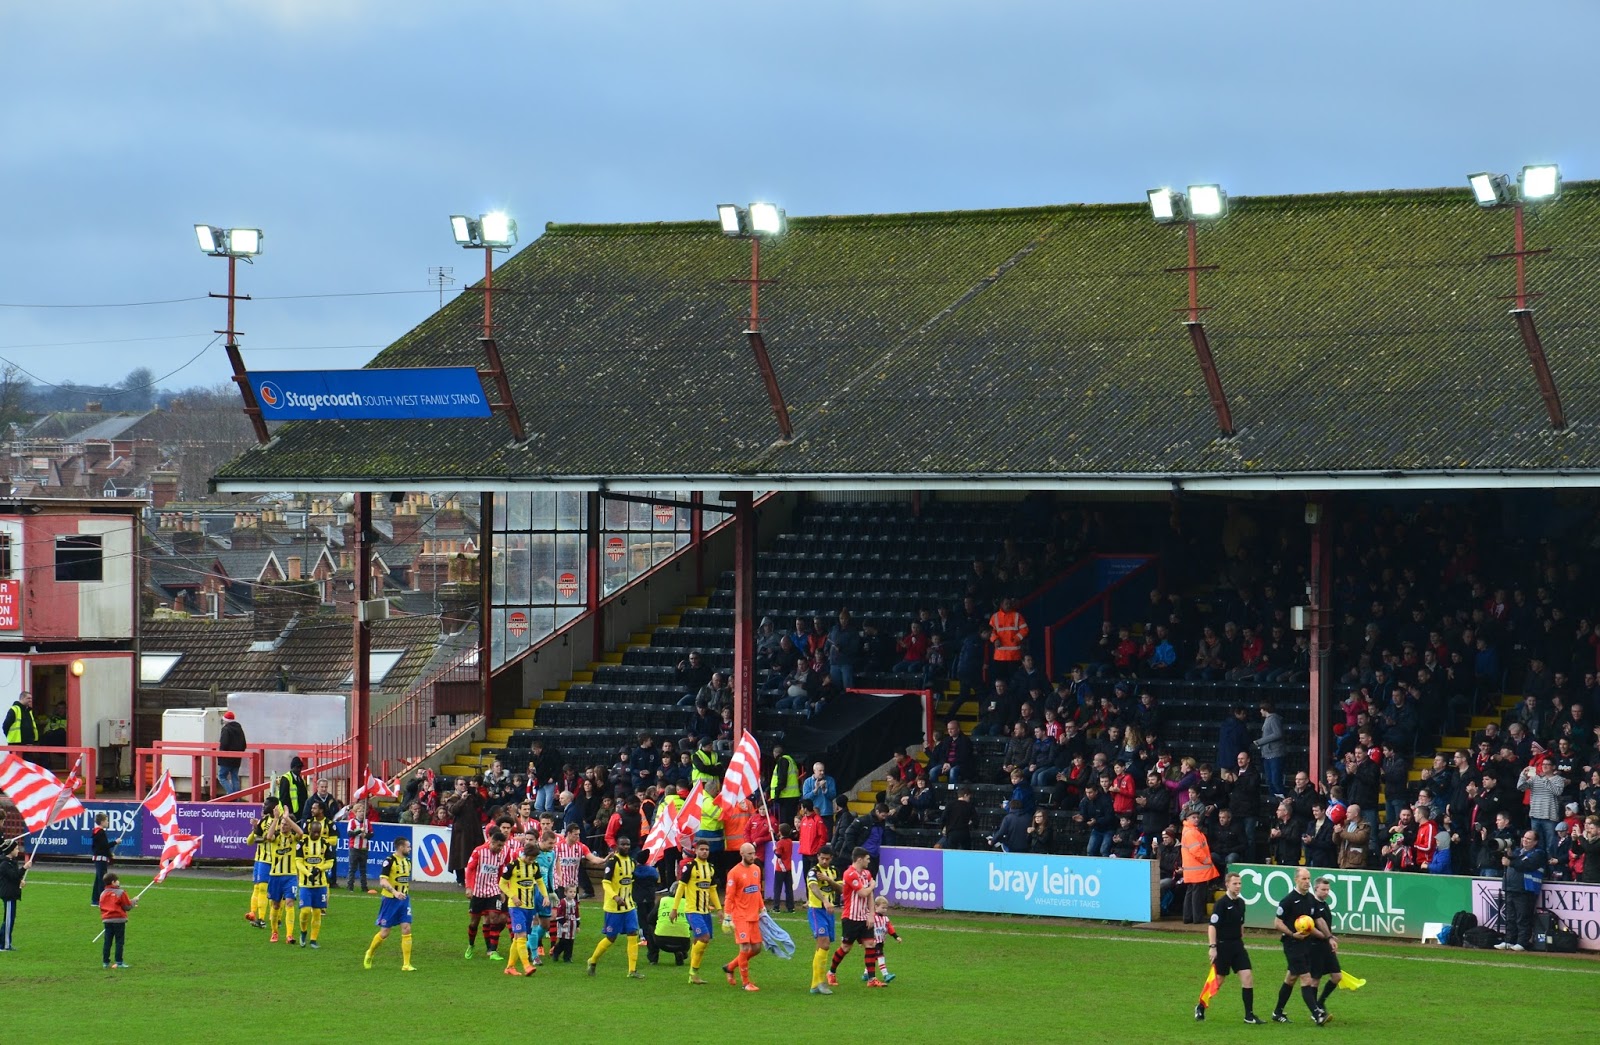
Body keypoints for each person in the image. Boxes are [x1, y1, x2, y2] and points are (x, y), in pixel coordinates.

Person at [1196, 871, 1262, 1023]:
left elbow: (1240, 924)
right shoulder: (1221, 904)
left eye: (1239, 883)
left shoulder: (1241, 903)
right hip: (1223, 946)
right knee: (1217, 981)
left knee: (1247, 977)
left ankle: (1249, 1015)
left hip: (1237, 946)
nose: (1238, 886)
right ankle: (1200, 1006)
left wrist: (1241, 940)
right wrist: (1213, 947)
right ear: (1227, 884)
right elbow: (1212, 926)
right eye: (1235, 883)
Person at [1270, 867, 1329, 1025]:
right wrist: (1291, 933)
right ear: (1296, 879)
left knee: (1291, 979)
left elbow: (1318, 919)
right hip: (1292, 944)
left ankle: (1277, 1012)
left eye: (1309, 879)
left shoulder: (1310, 899)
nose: (1307, 882)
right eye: (1304, 879)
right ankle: (1317, 1014)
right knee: (1306, 978)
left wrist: (1328, 936)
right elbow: (1277, 923)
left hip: (1306, 945)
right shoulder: (1288, 900)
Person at [587, 835, 643, 978]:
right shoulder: (613, 862)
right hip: (613, 907)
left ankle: (632, 970)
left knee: (633, 934)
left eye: (628, 844)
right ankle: (592, 960)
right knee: (611, 938)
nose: (626, 847)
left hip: (629, 906)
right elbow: (605, 882)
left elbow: (630, 881)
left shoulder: (631, 862)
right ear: (617, 846)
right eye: (623, 844)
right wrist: (615, 897)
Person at [671, 838, 723, 984]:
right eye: (702, 849)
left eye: (706, 849)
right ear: (696, 851)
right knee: (704, 938)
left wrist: (719, 909)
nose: (704, 852)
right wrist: (674, 909)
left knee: (701, 942)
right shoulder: (690, 867)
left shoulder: (711, 868)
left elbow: (712, 890)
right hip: (692, 910)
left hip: (705, 911)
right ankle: (693, 972)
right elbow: (681, 887)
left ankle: (692, 975)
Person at [364, 836, 417, 971]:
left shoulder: (408, 862)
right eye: (408, 846)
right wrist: (394, 892)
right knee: (385, 932)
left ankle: (406, 964)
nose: (409, 848)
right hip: (390, 900)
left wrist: (401, 893)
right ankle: (370, 952)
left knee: (406, 928)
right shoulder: (389, 861)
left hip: (404, 900)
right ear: (401, 847)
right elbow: (382, 881)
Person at [720, 841, 766, 991]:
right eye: (750, 854)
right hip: (739, 915)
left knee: (757, 948)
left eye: (753, 853)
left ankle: (730, 966)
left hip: (753, 915)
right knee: (745, 947)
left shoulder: (756, 869)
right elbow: (729, 896)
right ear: (742, 854)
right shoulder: (734, 872)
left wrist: (762, 907)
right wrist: (727, 916)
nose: (753, 856)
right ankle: (746, 983)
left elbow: (757, 890)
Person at [499, 842, 550, 976]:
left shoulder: (534, 866)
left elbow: (540, 882)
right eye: (530, 858)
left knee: (518, 938)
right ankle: (527, 965)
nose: (531, 861)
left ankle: (510, 967)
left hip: (529, 906)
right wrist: (513, 896)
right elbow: (502, 883)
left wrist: (545, 896)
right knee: (521, 935)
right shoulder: (512, 866)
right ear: (524, 854)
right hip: (516, 907)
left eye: (533, 859)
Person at [827, 847, 875, 985]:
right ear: (859, 859)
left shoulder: (866, 873)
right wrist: (872, 885)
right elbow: (863, 893)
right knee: (846, 947)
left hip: (864, 917)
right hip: (851, 917)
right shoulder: (849, 874)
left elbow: (870, 895)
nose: (869, 861)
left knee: (870, 944)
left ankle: (872, 979)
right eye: (867, 859)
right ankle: (831, 972)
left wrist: (871, 914)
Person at [1496, 829, 1545, 951]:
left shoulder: (1539, 853)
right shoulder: (1517, 852)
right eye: (1524, 837)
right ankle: (1509, 940)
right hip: (1511, 887)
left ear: (1535, 842)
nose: (1525, 840)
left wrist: (1510, 862)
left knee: (1523, 917)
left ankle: (1522, 942)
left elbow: (1527, 865)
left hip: (1526, 889)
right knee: (1510, 917)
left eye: (1529, 839)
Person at [464, 830, 509, 961]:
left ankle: (492, 950)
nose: (500, 848)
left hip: (493, 890)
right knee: (474, 922)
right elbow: (470, 869)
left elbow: (500, 872)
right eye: (498, 846)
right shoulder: (479, 851)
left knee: (494, 917)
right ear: (492, 842)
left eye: (502, 846)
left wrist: (501, 890)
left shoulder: (501, 854)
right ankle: (471, 945)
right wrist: (469, 887)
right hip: (478, 891)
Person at [293, 820, 334, 948]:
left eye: (318, 832)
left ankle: (313, 939)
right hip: (305, 884)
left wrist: (319, 869)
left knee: (317, 912)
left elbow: (330, 862)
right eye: (314, 832)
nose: (316, 834)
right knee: (305, 911)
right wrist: (308, 874)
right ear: (309, 831)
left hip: (320, 884)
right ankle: (303, 931)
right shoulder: (302, 843)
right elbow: (299, 862)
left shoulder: (325, 844)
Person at [265, 807, 303, 944]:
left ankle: (289, 935)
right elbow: (268, 837)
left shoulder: (293, 839)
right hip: (275, 876)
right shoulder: (276, 837)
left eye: (285, 824)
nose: (283, 826)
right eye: (282, 823)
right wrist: (276, 818)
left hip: (290, 876)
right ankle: (274, 932)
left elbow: (301, 832)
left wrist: (287, 818)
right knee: (275, 905)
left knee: (289, 902)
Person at [1308, 876, 1344, 1015]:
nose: (1326, 892)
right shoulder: (1311, 904)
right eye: (1323, 889)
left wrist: (1330, 936)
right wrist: (1325, 936)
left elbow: (1325, 925)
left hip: (1326, 945)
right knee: (1315, 979)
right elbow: (1310, 927)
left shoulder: (1324, 904)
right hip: (1315, 946)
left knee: (1337, 976)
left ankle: (1320, 1002)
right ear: (1315, 889)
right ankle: (1315, 1010)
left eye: (1328, 889)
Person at [806, 848, 840, 995]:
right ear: (818, 857)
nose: (824, 861)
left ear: (831, 858)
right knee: (824, 944)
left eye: (827, 858)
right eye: (822, 858)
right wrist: (825, 900)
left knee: (822, 947)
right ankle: (820, 983)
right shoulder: (813, 871)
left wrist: (828, 880)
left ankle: (815, 984)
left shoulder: (833, 871)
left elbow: (841, 889)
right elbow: (813, 887)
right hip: (816, 911)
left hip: (829, 913)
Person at [243, 798, 280, 929]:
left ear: (274, 806)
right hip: (262, 860)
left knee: (275, 891)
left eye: (266, 804)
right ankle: (258, 916)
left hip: (277, 861)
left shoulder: (281, 821)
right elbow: (251, 841)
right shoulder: (263, 821)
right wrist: (255, 829)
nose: (263, 806)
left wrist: (264, 837)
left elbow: (275, 838)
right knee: (260, 888)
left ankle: (275, 917)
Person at [1181, 806, 1220, 924]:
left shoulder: (1188, 831)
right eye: (1194, 817)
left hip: (1191, 869)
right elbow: (1196, 851)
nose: (1197, 819)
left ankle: (1188, 917)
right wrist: (1207, 860)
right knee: (1197, 895)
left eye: (1197, 817)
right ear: (1187, 819)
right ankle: (1197, 918)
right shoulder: (1192, 832)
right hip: (1198, 869)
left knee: (1191, 893)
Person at [97, 871, 135, 968]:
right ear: (113, 882)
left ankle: (105, 962)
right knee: (119, 941)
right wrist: (134, 901)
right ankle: (119, 961)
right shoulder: (121, 892)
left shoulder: (103, 894)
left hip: (107, 920)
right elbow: (127, 907)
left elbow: (101, 906)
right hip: (119, 920)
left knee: (107, 941)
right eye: (117, 880)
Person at [863, 895, 902, 984]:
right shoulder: (872, 917)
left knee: (873, 958)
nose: (885, 910)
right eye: (883, 908)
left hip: (881, 942)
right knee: (880, 957)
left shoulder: (885, 919)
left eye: (886, 908)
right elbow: (866, 926)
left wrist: (896, 936)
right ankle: (885, 974)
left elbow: (890, 928)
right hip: (873, 942)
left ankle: (866, 974)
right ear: (876, 907)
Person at [0, 839, 28, 951]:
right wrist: (24, 868)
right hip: (8, 894)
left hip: (12, 893)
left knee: (9, 918)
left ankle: (3, 941)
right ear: (10, 850)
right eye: (16, 848)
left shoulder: (12, 862)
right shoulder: (4, 864)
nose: (18, 850)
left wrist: (20, 880)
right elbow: (13, 876)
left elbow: (15, 877)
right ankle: (5, 945)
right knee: (8, 920)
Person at [1255, 702, 1286, 797]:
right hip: (1267, 754)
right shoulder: (1268, 720)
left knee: (1275, 780)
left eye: (1261, 709)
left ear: (1265, 709)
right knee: (1269, 780)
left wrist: (1261, 741)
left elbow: (1278, 734)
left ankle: (1282, 801)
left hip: (1275, 753)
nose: (1260, 711)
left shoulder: (1274, 719)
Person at [768, 744, 803, 825]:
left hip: (786, 796)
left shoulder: (782, 761)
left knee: (785, 823)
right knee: (790, 822)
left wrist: (776, 794)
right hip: (792, 796)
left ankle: (787, 837)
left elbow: (782, 779)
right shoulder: (791, 761)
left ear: (775, 753)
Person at [345, 801, 374, 893]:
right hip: (354, 848)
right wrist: (359, 831)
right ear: (355, 812)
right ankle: (350, 886)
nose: (362, 813)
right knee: (352, 868)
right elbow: (350, 833)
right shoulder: (352, 822)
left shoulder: (367, 822)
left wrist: (365, 835)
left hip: (364, 848)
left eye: (363, 811)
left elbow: (371, 834)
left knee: (363, 869)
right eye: (360, 811)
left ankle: (364, 887)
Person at [89, 812, 117, 905]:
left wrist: (109, 855)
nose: (108, 822)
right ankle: (101, 900)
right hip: (101, 859)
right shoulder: (100, 832)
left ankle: (95, 899)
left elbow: (102, 847)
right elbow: (104, 846)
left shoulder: (97, 832)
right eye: (106, 821)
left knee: (98, 879)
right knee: (102, 880)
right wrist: (115, 842)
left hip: (99, 858)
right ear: (102, 822)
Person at [217, 710, 246, 797]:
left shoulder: (226, 729)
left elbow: (224, 744)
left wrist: (221, 753)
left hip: (226, 758)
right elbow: (244, 744)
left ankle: (231, 795)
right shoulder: (239, 728)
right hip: (237, 758)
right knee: (234, 777)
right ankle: (236, 797)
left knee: (221, 776)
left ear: (226, 720)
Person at [276, 756, 308, 821]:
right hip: (290, 813)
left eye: (300, 768)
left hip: (299, 813)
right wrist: (288, 812)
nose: (299, 769)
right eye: (297, 767)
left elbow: (304, 797)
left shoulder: (301, 780)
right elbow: (283, 798)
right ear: (292, 767)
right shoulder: (286, 778)